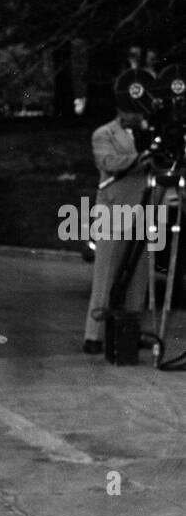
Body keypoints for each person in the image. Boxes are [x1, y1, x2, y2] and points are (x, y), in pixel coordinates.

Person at [82, 108, 150, 353]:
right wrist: (141, 159)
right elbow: (107, 163)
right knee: (105, 275)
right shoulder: (104, 134)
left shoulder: (150, 133)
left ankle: (130, 332)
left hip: (144, 208)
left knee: (138, 277)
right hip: (112, 209)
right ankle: (94, 336)